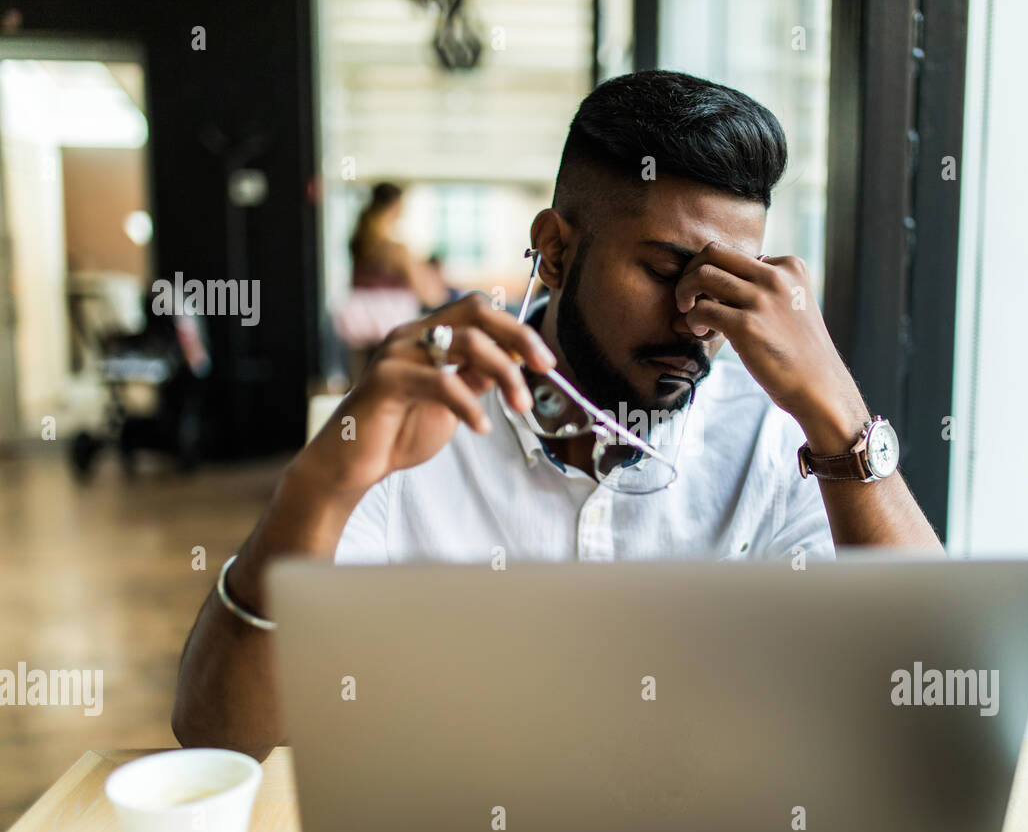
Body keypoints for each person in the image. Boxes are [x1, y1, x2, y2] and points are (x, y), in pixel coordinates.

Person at [174, 70, 944, 760]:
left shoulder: (781, 435)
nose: (696, 317)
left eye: (727, 283)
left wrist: (838, 409)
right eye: (666, 270)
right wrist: (324, 484)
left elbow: (930, 696)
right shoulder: (412, 426)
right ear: (555, 249)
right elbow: (218, 732)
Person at [334, 182, 452, 375]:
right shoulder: (397, 252)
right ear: (396, 208)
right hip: (394, 335)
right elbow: (431, 296)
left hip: (359, 336)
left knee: (362, 389)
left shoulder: (358, 244)